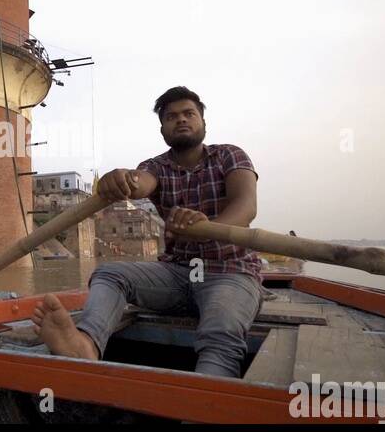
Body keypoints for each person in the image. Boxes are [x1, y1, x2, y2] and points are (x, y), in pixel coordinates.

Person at [33, 86, 267, 378]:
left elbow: (246, 205)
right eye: (171, 117)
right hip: (177, 274)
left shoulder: (229, 155)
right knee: (109, 274)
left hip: (231, 271)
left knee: (220, 334)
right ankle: (85, 344)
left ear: (203, 122)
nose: (181, 120)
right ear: (163, 130)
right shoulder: (157, 166)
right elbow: (140, 182)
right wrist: (120, 180)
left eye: (188, 114)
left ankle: (206, 403)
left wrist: (206, 229)